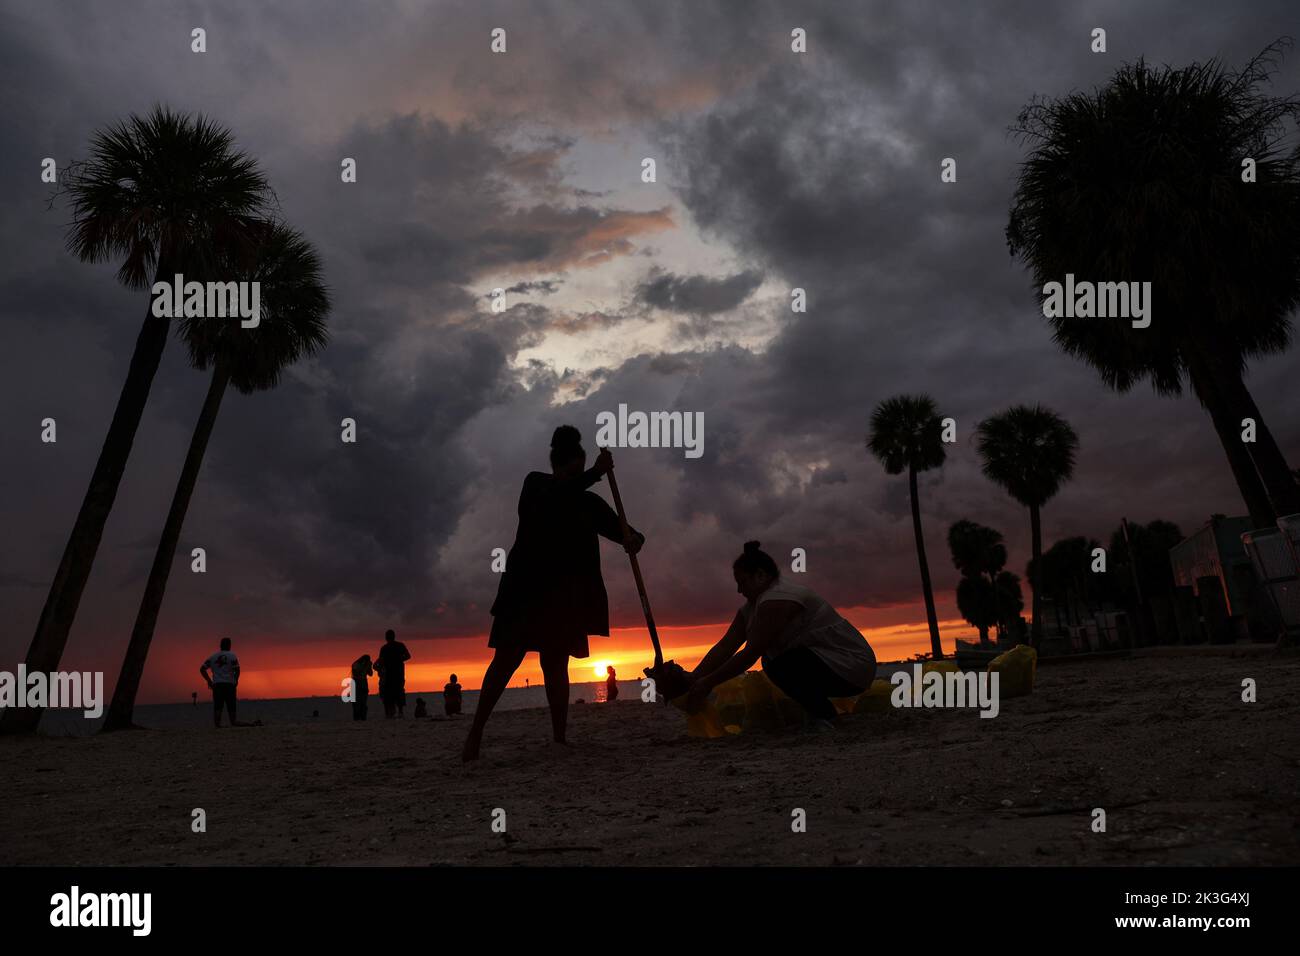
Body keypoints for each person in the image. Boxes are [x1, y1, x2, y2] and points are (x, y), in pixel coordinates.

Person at [462, 426, 644, 761]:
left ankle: (559, 738)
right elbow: (561, 494)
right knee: (506, 660)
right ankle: (475, 733)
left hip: (564, 598)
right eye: (572, 472)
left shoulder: (588, 502)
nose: (577, 478)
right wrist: (592, 474)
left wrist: (633, 540)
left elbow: (627, 533)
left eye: (580, 472)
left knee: (556, 664)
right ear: (558, 468)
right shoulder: (536, 486)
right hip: (525, 589)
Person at [685, 541, 876, 731]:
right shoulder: (751, 609)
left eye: (742, 583)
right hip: (827, 664)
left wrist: (708, 683)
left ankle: (825, 716)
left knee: (779, 664)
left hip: (853, 667)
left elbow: (749, 655)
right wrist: (693, 679)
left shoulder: (779, 599)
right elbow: (725, 647)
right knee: (773, 660)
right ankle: (818, 714)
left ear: (760, 575)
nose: (739, 590)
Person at [200, 638, 241, 728]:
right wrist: (236, 680)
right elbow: (237, 670)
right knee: (231, 707)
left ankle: (218, 724)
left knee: (218, 706)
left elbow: (202, 669)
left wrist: (209, 681)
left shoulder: (213, 657)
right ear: (229, 645)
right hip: (229, 685)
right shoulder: (232, 656)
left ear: (220, 645)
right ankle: (233, 722)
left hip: (217, 685)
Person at [375, 630, 411, 718]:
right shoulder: (399, 646)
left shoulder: (385, 648)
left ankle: (392, 713)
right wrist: (399, 660)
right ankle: (399, 712)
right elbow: (408, 656)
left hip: (391, 674)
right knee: (398, 691)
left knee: (390, 692)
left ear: (386, 637)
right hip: (397, 673)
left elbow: (381, 660)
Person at [350, 654, 374, 721]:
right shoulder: (356, 664)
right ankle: (358, 717)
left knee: (362, 701)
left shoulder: (357, 664)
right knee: (357, 702)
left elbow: (370, 674)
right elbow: (356, 673)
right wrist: (365, 666)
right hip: (358, 682)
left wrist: (369, 667)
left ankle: (362, 717)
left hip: (362, 683)